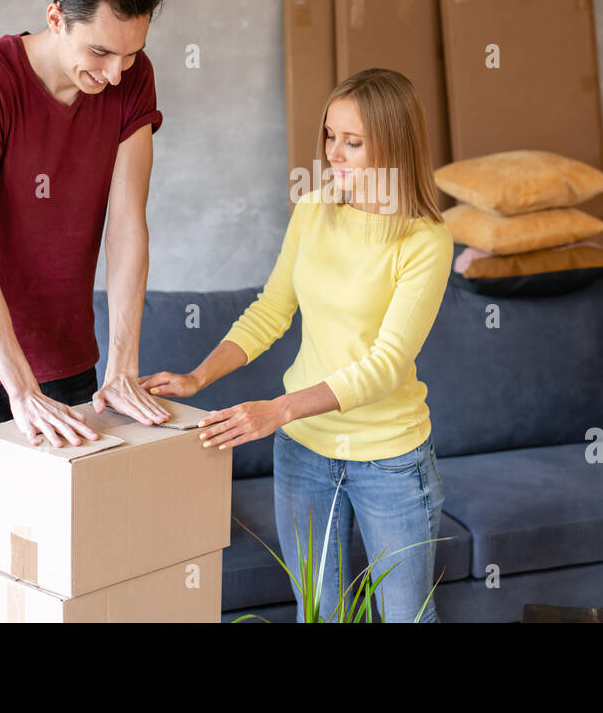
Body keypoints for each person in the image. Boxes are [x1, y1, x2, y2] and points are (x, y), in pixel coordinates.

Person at [0, 0, 172, 623]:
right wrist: (19, 390)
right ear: (55, 17)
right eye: (100, 53)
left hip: (68, 361)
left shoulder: (131, 78)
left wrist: (121, 366)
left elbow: (127, 227)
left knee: (68, 570)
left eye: (131, 54)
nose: (116, 74)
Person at [141, 69, 454, 622]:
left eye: (352, 142)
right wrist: (197, 378)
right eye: (330, 135)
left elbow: (385, 366)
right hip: (304, 451)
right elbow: (271, 309)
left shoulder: (424, 238)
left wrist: (278, 410)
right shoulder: (314, 209)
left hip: (388, 459)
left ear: (394, 144)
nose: (334, 152)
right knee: (322, 613)